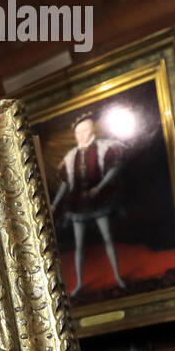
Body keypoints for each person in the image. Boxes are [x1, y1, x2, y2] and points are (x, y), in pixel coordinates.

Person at [51, 112, 127, 295]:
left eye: (85, 131)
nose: (82, 135)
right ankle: (79, 284)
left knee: (108, 238)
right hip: (77, 203)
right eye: (78, 133)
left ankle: (118, 277)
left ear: (92, 130)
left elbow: (114, 169)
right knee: (79, 244)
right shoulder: (71, 157)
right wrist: (54, 203)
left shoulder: (103, 148)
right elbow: (65, 183)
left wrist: (100, 187)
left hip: (98, 201)